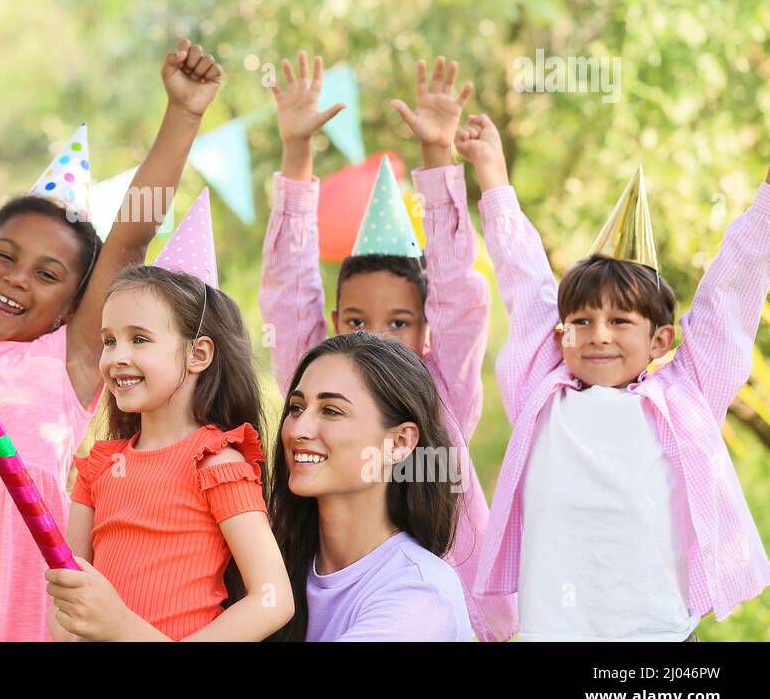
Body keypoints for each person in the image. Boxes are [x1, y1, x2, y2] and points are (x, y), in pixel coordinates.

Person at [0, 40, 224, 641]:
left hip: (23, 609)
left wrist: (184, 115)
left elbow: (130, 240)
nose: (16, 278)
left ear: (75, 306)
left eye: (47, 275)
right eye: (4, 256)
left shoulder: (69, 360)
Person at [459, 111, 770, 639]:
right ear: (561, 333)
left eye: (620, 321)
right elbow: (522, 274)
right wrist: (491, 174)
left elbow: (731, 289)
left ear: (660, 340)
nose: (598, 334)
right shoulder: (544, 391)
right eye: (581, 321)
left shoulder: (685, 395)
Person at [259, 52, 515, 640]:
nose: (375, 339)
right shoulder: (323, 375)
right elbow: (287, 291)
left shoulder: (437, 389)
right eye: (354, 322)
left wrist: (438, 157)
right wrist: (297, 156)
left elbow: (461, 295)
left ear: (427, 332)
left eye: (399, 323)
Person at [46, 265, 292, 641]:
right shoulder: (99, 468)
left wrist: (127, 631)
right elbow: (69, 587)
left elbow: (273, 599)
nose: (116, 357)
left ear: (198, 354)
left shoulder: (217, 462)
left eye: (139, 339)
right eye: (109, 341)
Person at [269, 332, 473, 641]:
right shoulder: (270, 568)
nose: (299, 428)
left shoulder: (420, 592)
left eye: (331, 411)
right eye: (297, 407)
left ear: (399, 442)